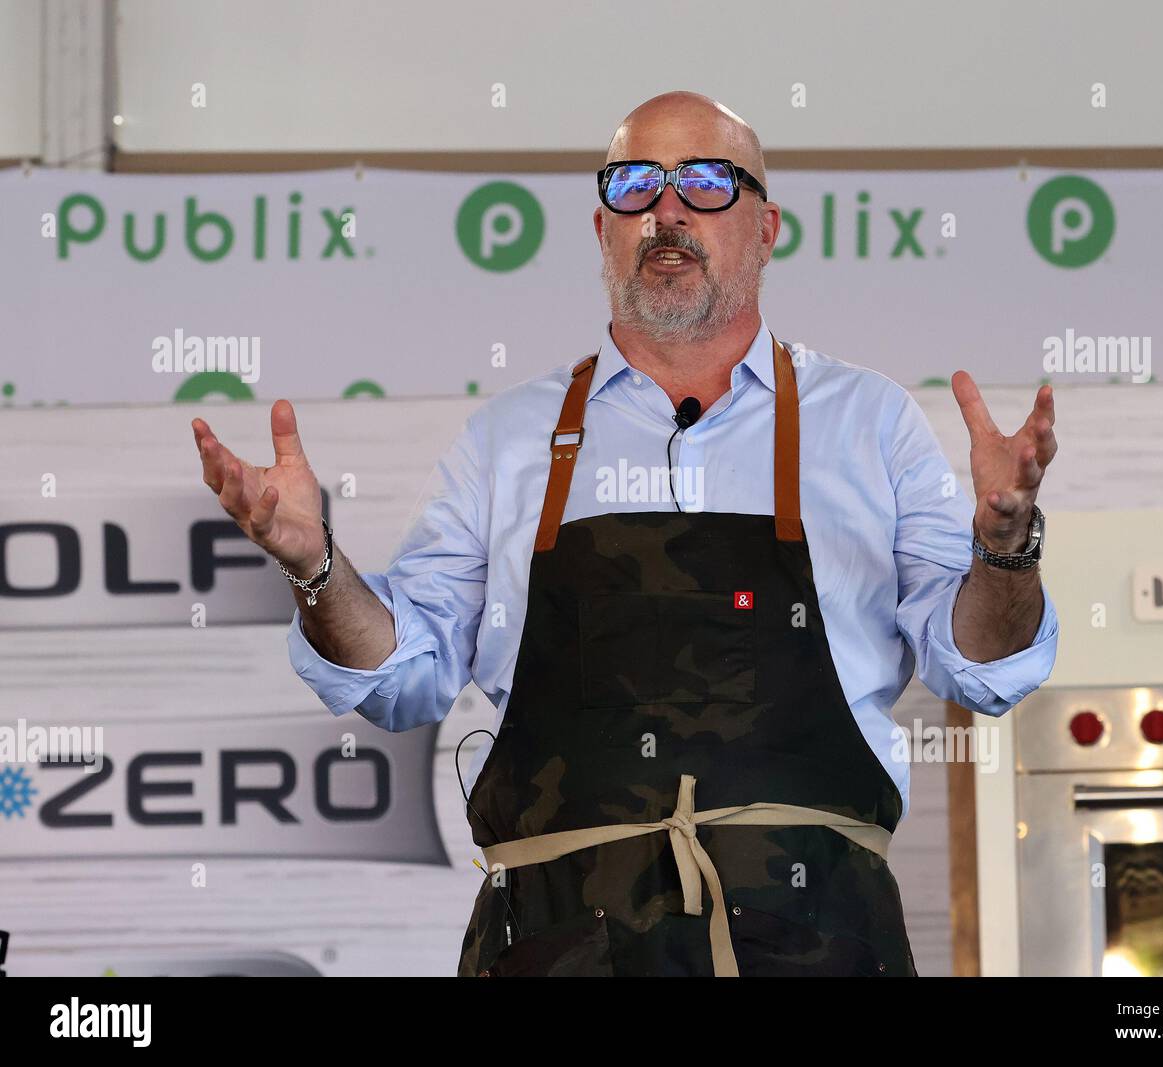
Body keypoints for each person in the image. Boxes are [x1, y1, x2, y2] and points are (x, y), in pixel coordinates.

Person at [190, 91, 1059, 977]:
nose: (668, 211)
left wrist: (1004, 545)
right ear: (603, 227)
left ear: (766, 229)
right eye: (636, 184)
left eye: (708, 183)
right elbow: (402, 677)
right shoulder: (509, 438)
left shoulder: (870, 422)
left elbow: (982, 668)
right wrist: (316, 569)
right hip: (561, 947)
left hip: (816, 944)